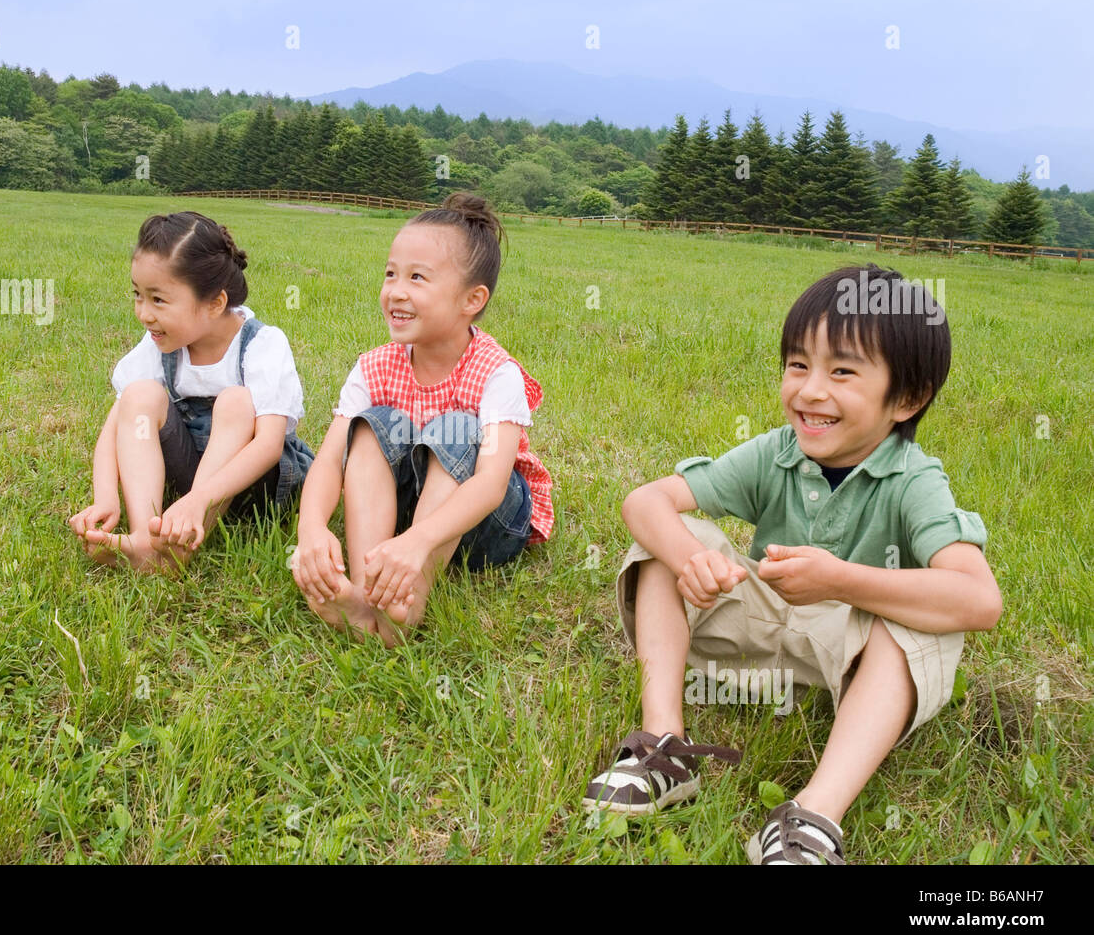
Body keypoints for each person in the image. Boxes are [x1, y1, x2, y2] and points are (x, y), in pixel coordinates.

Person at [586, 263, 1002, 864]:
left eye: (842, 371)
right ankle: (665, 747)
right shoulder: (776, 453)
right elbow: (645, 501)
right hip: (757, 633)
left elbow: (980, 600)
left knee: (929, 620)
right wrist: (693, 559)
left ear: (907, 399)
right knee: (665, 542)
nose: (809, 390)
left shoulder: (916, 480)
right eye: (798, 364)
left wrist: (840, 580)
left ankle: (812, 816)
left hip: (853, 658)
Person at [291, 192, 553, 646]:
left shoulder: (495, 371)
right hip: (411, 513)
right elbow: (330, 462)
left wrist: (418, 543)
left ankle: (407, 601)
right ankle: (368, 590)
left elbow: (491, 485)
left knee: (455, 428)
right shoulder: (374, 365)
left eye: (417, 277)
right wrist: (312, 529)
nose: (396, 290)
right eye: (390, 274)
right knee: (372, 424)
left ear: (472, 299)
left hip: (484, 526)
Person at [69, 211, 312, 571]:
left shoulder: (262, 344)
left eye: (158, 300)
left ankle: (180, 547)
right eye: (138, 295)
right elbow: (115, 428)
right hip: (190, 477)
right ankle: (146, 536)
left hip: (254, 488)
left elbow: (268, 445)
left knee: (235, 402)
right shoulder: (159, 344)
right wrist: (106, 496)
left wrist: (199, 500)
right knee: (139, 395)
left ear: (214, 303)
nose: (143, 313)